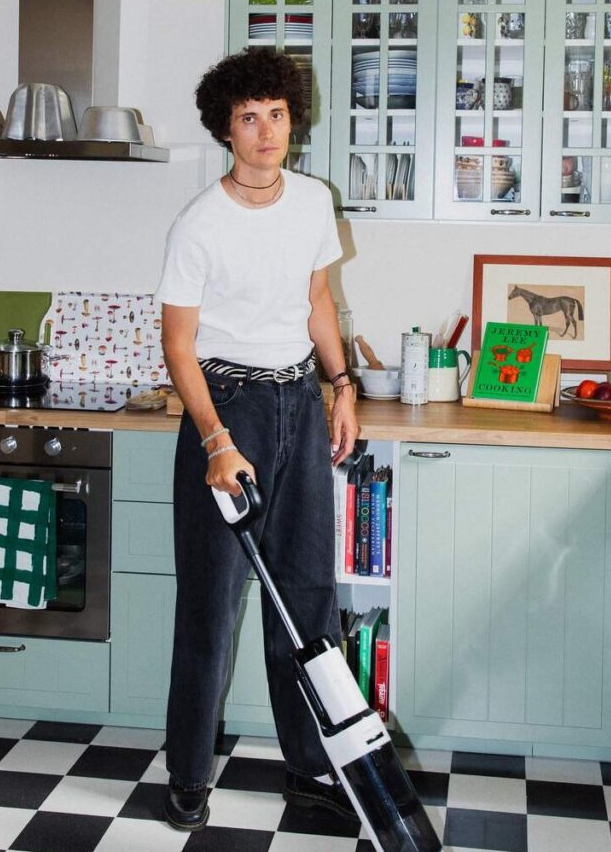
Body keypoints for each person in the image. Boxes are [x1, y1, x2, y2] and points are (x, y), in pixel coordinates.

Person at [154, 47, 358, 831]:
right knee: (211, 606)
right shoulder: (199, 225)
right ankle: (187, 776)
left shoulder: (312, 201)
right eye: (250, 118)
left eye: (277, 114)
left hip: (299, 404)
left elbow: (318, 301)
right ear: (226, 130)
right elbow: (178, 346)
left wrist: (341, 387)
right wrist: (215, 440)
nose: (267, 131)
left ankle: (310, 770)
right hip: (227, 409)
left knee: (307, 604)